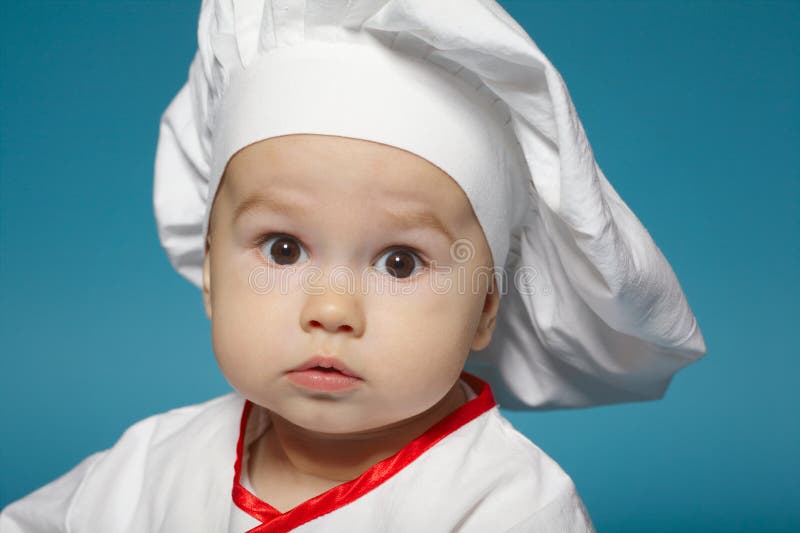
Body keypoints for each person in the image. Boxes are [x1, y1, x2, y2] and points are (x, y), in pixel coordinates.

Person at [0, 1, 707, 532]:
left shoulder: (502, 503)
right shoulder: (149, 465)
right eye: (283, 248)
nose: (332, 308)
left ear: (485, 303)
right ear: (211, 271)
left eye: (400, 261)